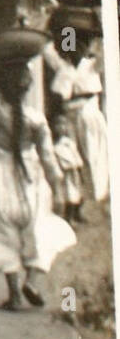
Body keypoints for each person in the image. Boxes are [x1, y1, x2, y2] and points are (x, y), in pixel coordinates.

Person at [0, 44, 74, 310]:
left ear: (0, 85)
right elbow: (48, 158)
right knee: (39, 229)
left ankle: (13, 294)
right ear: (28, 88)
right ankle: (32, 281)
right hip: (29, 179)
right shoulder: (37, 120)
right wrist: (58, 188)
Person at [42, 36, 108, 216]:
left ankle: (85, 202)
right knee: (72, 161)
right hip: (72, 120)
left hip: (90, 117)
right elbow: (50, 56)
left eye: (78, 50)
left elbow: (105, 57)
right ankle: (73, 206)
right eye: (70, 52)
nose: (74, 54)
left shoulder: (91, 65)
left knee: (92, 159)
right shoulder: (66, 69)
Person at [52, 114, 87, 224]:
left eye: (63, 125)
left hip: (74, 171)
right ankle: (69, 217)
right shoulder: (54, 146)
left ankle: (77, 214)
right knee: (69, 195)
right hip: (65, 173)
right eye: (58, 125)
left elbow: (76, 156)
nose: (61, 128)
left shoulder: (69, 143)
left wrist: (80, 172)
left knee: (79, 194)